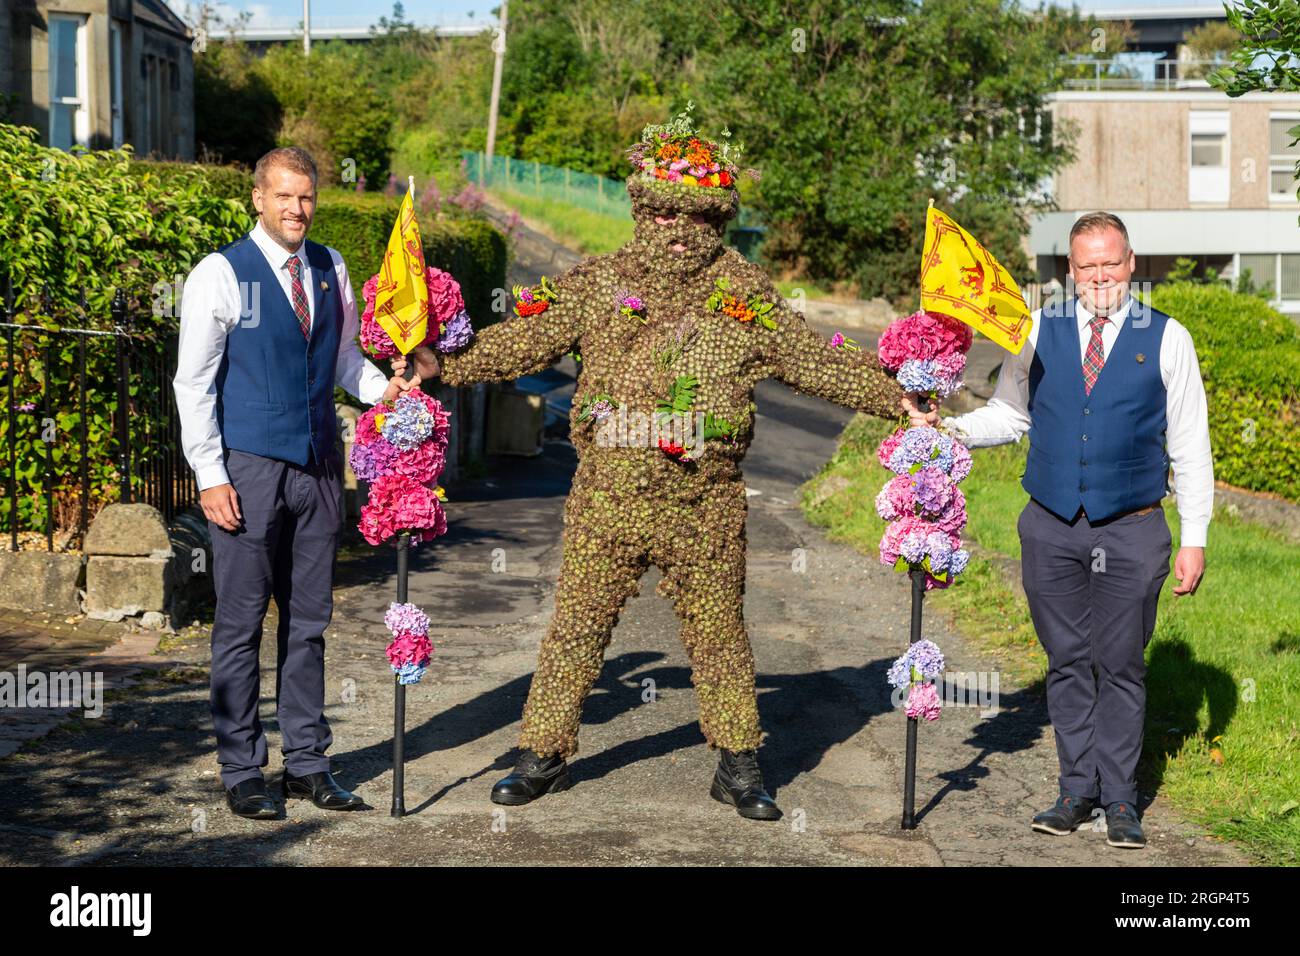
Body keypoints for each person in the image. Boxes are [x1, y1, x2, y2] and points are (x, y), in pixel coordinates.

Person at [396, 113, 920, 821]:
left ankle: (739, 764)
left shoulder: (748, 297)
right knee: (576, 629)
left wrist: (902, 398)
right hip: (607, 498)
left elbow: (813, 361)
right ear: (641, 209)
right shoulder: (599, 283)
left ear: (718, 218)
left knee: (720, 635)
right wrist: (442, 365)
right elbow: (527, 340)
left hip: (703, 505)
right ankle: (543, 752)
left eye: (694, 213)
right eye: (662, 210)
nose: (677, 226)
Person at [904, 211, 1212, 849]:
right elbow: (1009, 415)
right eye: (1086, 265)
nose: (1099, 275)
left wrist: (1194, 534)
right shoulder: (1037, 329)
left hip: (1131, 528)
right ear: (1070, 271)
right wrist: (948, 430)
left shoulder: (1168, 338)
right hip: (1050, 526)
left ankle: (1122, 801)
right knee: (1068, 661)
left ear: (1131, 264)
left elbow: (1189, 445)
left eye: (1110, 262)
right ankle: (1077, 790)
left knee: (1121, 664)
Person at [174, 147, 418, 819]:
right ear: (258, 198)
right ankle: (242, 768)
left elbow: (342, 359)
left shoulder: (330, 265)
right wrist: (210, 474)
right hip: (248, 469)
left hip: (317, 468)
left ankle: (307, 763)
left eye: (306, 197)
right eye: (283, 196)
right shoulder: (220, 274)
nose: (296, 209)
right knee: (240, 623)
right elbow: (192, 385)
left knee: (309, 622)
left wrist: (383, 391)